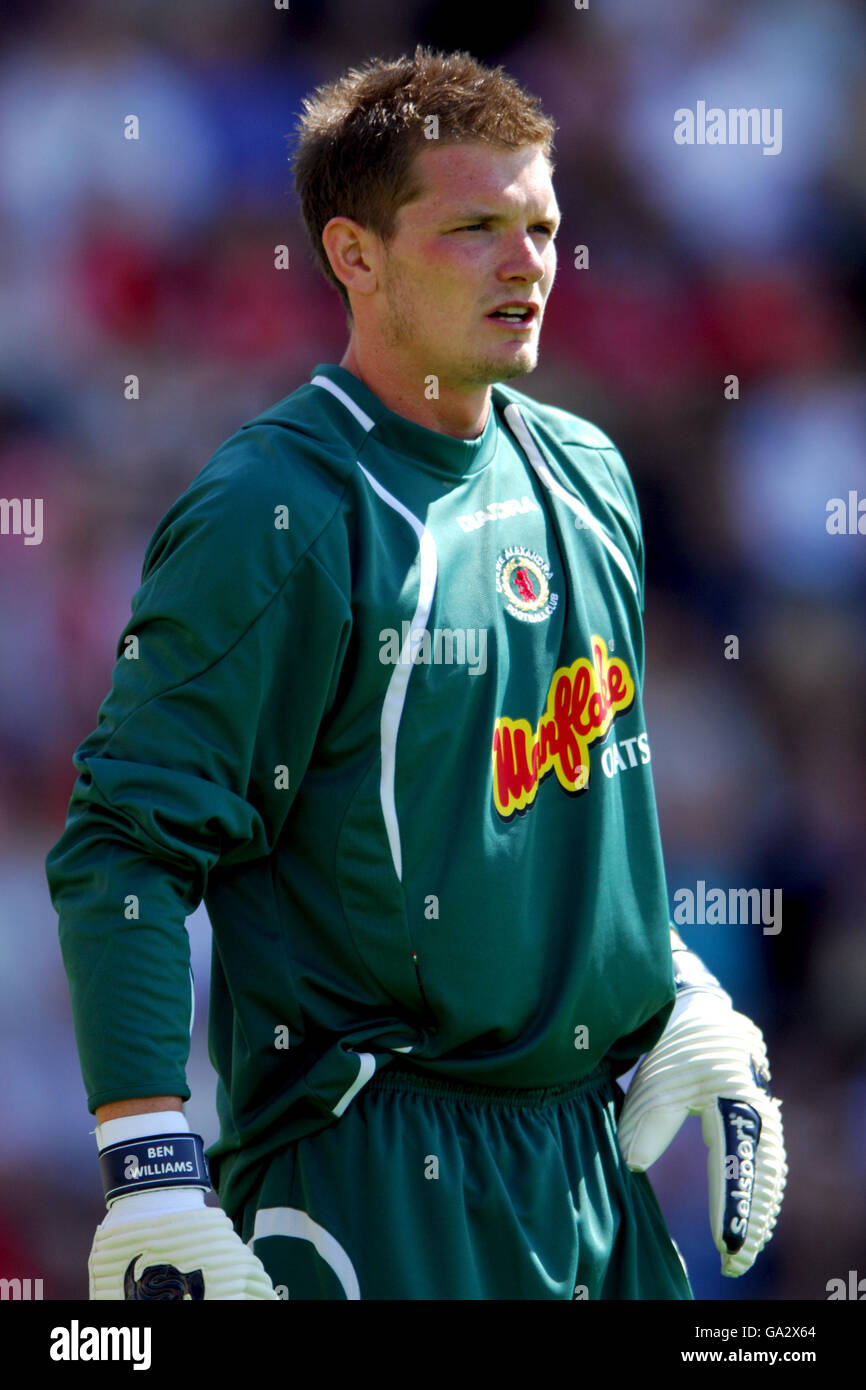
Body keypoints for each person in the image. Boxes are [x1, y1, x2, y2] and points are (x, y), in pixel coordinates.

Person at [46, 46, 786, 1301]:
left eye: (543, 227)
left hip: (582, 1159)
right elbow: (123, 845)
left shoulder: (588, 471)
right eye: (474, 229)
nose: (527, 264)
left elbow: (562, 802)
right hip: (373, 1165)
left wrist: (670, 988)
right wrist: (148, 1158)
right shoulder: (272, 512)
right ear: (353, 254)